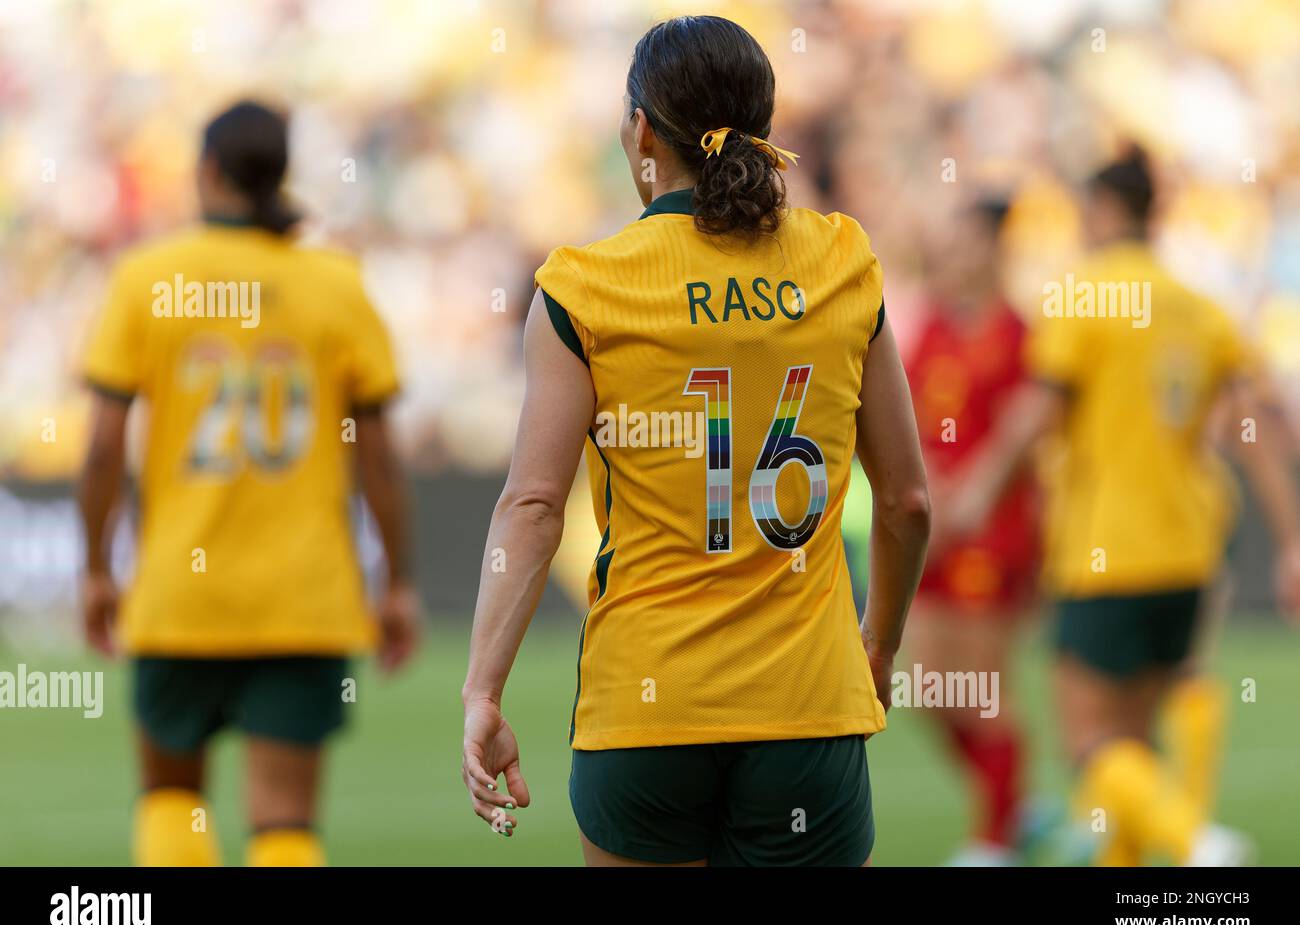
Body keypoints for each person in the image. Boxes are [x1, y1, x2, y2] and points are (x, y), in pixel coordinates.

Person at [460, 15, 930, 867]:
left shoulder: (585, 286)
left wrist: (483, 691)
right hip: (807, 707)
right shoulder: (840, 262)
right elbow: (907, 501)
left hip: (647, 712)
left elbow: (532, 506)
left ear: (642, 130)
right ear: (764, 125)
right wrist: (880, 643)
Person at [79, 100, 419, 867]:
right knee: (285, 824)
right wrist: (398, 583)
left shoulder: (147, 278)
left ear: (206, 171)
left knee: (171, 801)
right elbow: (380, 459)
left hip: (179, 593)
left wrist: (97, 568)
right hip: (304, 598)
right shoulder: (336, 284)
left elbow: (101, 448)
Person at [946, 149, 1300, 865]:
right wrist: (1292, 539)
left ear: (1107, 211)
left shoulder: (1083, 299)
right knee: (1135, 741)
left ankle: (1194, 839)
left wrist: (978, 491)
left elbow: (1036, 415)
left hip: (1103, 550)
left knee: (1088, 743)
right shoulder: (1201, 307)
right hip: (1188, 551)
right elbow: (1254, 432)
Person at [905, 200, 1037, 865]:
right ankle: (1018, 807)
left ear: (991, 247)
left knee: (982, 691)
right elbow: (903, 413)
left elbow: (1024, 428)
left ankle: (995, 838)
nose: (950, 256)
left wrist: (973, 496)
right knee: (925, 687)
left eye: (962, 242)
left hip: (991, 533)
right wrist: (929, 490)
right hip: (934, 529)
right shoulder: (931, 325)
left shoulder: (1018, 333)